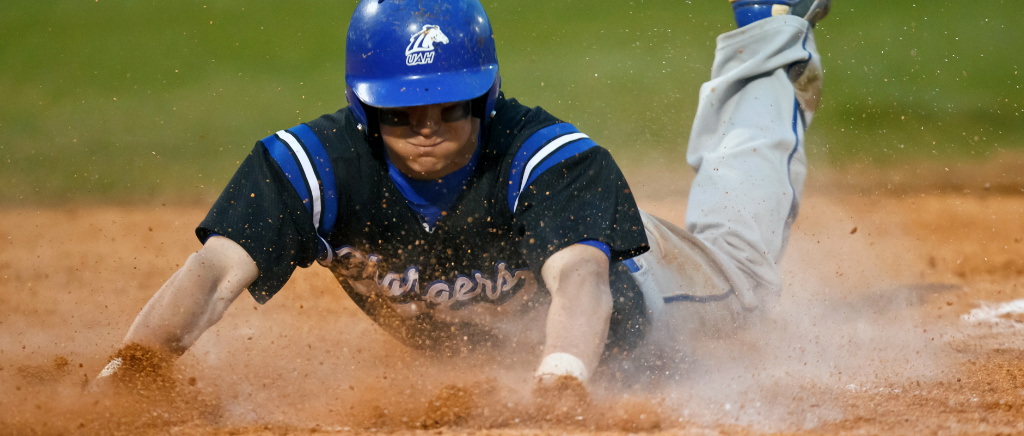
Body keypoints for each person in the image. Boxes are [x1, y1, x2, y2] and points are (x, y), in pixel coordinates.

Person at [93, 0, 829, 389]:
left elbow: (579, 284)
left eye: (450, 106)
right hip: (507, 347)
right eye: (403, 113)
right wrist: (134, 370)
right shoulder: (311, 166)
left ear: (489, 97)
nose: (428, 128)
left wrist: (563, 379)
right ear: (362, 108)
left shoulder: (548, 159)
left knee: (743, 276)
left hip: (650, 305)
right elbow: (215, 271)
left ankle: (768, 33)